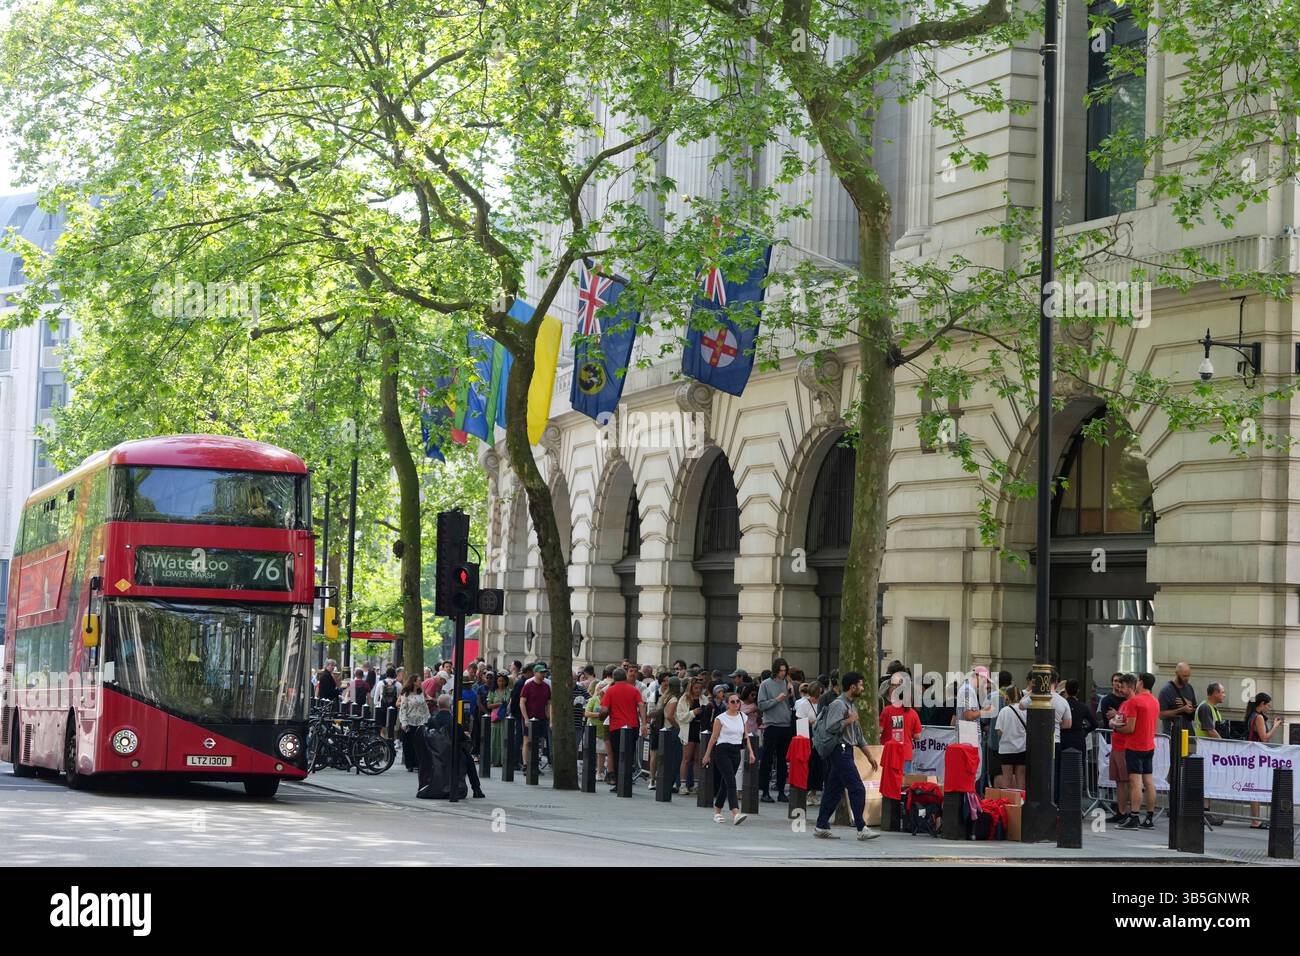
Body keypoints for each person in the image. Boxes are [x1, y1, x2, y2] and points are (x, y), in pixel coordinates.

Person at [813, 671, 881, 841]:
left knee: (833, 790)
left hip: (847, 750)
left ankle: (821, 825)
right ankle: (861, 827)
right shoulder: (839, 704)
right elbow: (830, 727)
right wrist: (848, 721)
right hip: (840, 750)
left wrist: (869, 756)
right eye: (860, 684)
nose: (862, 687)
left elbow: (858, 736)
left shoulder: (851, 706)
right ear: (852, 687)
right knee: (857, 788)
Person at [701, 691, 756, 824]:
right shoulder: (721, 718)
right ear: (727, 703)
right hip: (722, 750)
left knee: (726, 783)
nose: (736, 704)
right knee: (731, 781)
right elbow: (714, 738)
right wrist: (707, 754)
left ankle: (717, 810)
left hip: (736, 751)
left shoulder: (743, 716)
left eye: (738, 701)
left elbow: (746, 735)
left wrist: (751, 752)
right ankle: (735, 812)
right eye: (733, 701)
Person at [1112, 672, 1158, 830]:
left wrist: (1116, 727)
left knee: (1135, 783)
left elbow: (1130, 728)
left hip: (1135, 745)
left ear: (1141, 683)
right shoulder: (1155, 701)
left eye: (1138, 680)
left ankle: (1134, 816)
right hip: (1149, 745)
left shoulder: (1135, 701)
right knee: (1149, 782)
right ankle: (1149, 817)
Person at [595, 667, 645, 791]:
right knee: (629, 755)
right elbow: (641, 705)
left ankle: (619, 783)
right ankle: (628, 782)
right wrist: (644, 723)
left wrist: (601, 717)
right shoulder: (634, 690)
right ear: (625, 676)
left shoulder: (610, 691)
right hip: (633, 726)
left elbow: (605, 710)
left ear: (613, 677)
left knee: (618, 755)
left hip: (616, 727)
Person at [430, 694, 485, 798]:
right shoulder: (454, 722)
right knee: (469, 759)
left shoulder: (431, 720)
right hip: (453, 754)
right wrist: (467, 736)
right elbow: (462, 738)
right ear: (450, 705)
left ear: (438, 705)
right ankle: (476, 789)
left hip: (435, 753)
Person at [757, 657, 795, 803]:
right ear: (775, 670)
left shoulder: (787, 683)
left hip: (785, 725)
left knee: (782, 760)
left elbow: (793, 705)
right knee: (767, 759)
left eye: (785, 671)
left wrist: (791, 695)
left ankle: (781, 791)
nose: (783, 673)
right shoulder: (766, 685)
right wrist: (776, 700)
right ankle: (765, 791)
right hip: (771, 725)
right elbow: (761, 705)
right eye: (780, 671)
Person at [1245, 692, 1285, 828]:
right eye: (1268, 705)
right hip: (1256, 755)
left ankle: (1255, 819)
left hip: (1252, 755)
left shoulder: (1251, 715)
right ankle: (1255, 820)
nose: (1269, 708)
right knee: (1255, 787)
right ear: (1262, 704)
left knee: (1254, 787)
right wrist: (1275, 726)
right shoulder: (1259, 717)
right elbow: (1264, 737)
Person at [1194, 682, 1228, 826]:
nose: (1224, 695)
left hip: (1209, 750)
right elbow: (1209, 730)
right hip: (1206, 749)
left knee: (1208, 782)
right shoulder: (1206, 708)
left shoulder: (1212, 709)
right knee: (1206, 781)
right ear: (1215, 693)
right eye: (1222, 692)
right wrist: (1224, 744)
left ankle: (1206, 812)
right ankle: (1204, 813)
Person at [879, 675, 923, 775]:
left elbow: (880, 730)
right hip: (905, 753)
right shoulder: (913, 713)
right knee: (903, 785)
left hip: (889, 753)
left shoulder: (887, 710)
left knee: (888, 781)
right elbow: (917, 736)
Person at [676, 677, 707, 794]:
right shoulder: (684, 699)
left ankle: (696, 784)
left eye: (700, 688)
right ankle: (683, 784)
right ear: (691, 688)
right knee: (686, 758)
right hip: (688, 729)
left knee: (698, 759)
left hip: (700, 730)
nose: (698, 690)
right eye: (696, 688)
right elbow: (680, 717)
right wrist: (693, 713)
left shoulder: (704, 699)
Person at [994, 683, 1027, 789]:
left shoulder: (1004, 711)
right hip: (1022, 748)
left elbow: (999, 731)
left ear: (1007, 697)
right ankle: (1021, 802)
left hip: (1006, 749)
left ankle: (1006, 801)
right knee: (1021, 778)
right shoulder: (1025, 711)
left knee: (1006, 777)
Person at [519, 664, 552, 771]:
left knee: (538, 741)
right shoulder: (528, 686)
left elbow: (548, 704)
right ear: (535, 673)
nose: (543, 674)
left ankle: (534, 763)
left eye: (544, 672)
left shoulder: (546, 687)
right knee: (527, 740)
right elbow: (522, 703)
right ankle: (525, 764)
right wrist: (526, 718)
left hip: (541, 718)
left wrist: (550, 719)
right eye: (541, 672)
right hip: (529, 717)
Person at [1157, 662, 1198, 744]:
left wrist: (1189, 706)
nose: (1187, 678)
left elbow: (1195, 709)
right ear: (1176, 674)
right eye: (1184, 676)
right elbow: (1160, 715)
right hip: (1172, 735)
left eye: (1188, 675)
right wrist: (1181, 709)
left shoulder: (1189, 687)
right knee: (1173, 756)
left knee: (1190, 755)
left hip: (1188, 734)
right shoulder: (1166, 691)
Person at [397, 677, 430, 772]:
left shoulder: (421, 693)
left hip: (420, 722)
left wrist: (428, 718)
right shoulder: (406, 694)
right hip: (409, 721)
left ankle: (418, 763)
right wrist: (404, 722)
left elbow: (425, 707)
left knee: (419, 743)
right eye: (419, 680)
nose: (421, 682)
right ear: (414, 682)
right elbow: (403, 709)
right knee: (408, 744)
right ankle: (410, 764)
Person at [487, 673, 511, 768]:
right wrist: (499, 704)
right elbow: (489, 705)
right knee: (494, 738)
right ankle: (494, 760)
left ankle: (503, 760)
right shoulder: (493, 692)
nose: (501, 683)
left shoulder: (508, 691)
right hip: (495, 717)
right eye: (499, 681)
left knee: (503, 738)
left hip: (504, 717)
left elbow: (509, 702)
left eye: (503, 681)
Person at [375, 666, 401, 739]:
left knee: (382, 727)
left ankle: (383, 743)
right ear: (395, 674)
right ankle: (390, 743)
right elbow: (400, 698)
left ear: (386, 674)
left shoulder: (380, 683)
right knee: (392, 726)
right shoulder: (398, 685)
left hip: (382, 707)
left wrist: (378, 703)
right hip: (394, 708)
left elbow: (375, 699)